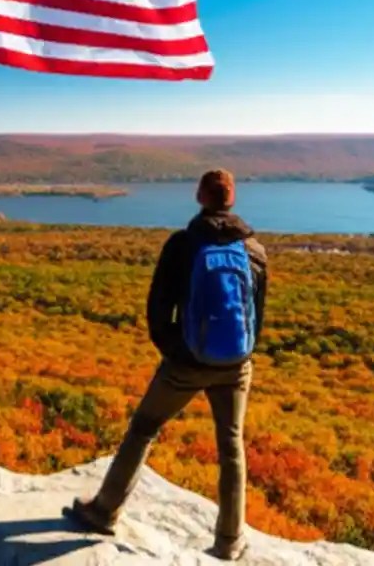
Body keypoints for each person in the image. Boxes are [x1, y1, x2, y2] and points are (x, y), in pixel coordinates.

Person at [67, 169, 267, 561]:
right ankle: (230, 542)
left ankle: (104, 511)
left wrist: (177, 351)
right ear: (232, 200)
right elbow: (257, 314)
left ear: (200, 197)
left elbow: (159, 309)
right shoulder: (255, 249)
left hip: (186, 362)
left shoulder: (183, 245)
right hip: (236, 363)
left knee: (143, 429)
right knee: (231, 447)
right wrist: (240, 354)